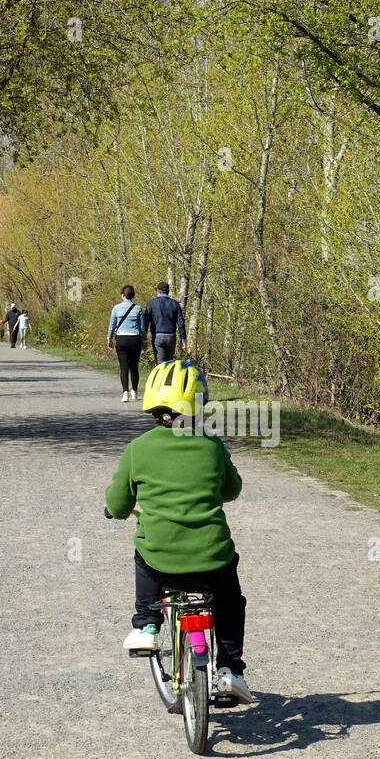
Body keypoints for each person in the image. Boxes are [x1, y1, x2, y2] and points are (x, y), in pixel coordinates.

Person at [105, 360, 252, 703]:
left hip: (162, 560)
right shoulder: (211, 445)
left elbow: (117, 501)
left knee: (145, 550)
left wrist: (115, 512)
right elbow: (231, 491)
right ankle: (231, 669)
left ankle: (146, 623)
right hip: (212, 559)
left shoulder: (138, 449)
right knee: (230, 601)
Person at [107, 284, 146, 402]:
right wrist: (144, 341)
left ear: (122, 295)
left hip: (122, 340)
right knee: (134, 366)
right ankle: (134, 391)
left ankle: (125, 393)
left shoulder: (116, 308)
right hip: (135, 339)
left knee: (123, 366)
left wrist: (109, 339)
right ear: (133, 296)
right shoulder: (138, 309)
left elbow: (112, 325)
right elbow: (142, 327)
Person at [145, 281, 186, 362]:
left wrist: (144, 338)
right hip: (171, 337)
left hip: (157, 337)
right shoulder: (175, 304)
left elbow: (145, 321)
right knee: (169, 363)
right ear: (168, 291)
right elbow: (181, 323)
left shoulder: (151, 303)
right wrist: (183, 339)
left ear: (158, 291)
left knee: (160, 365)